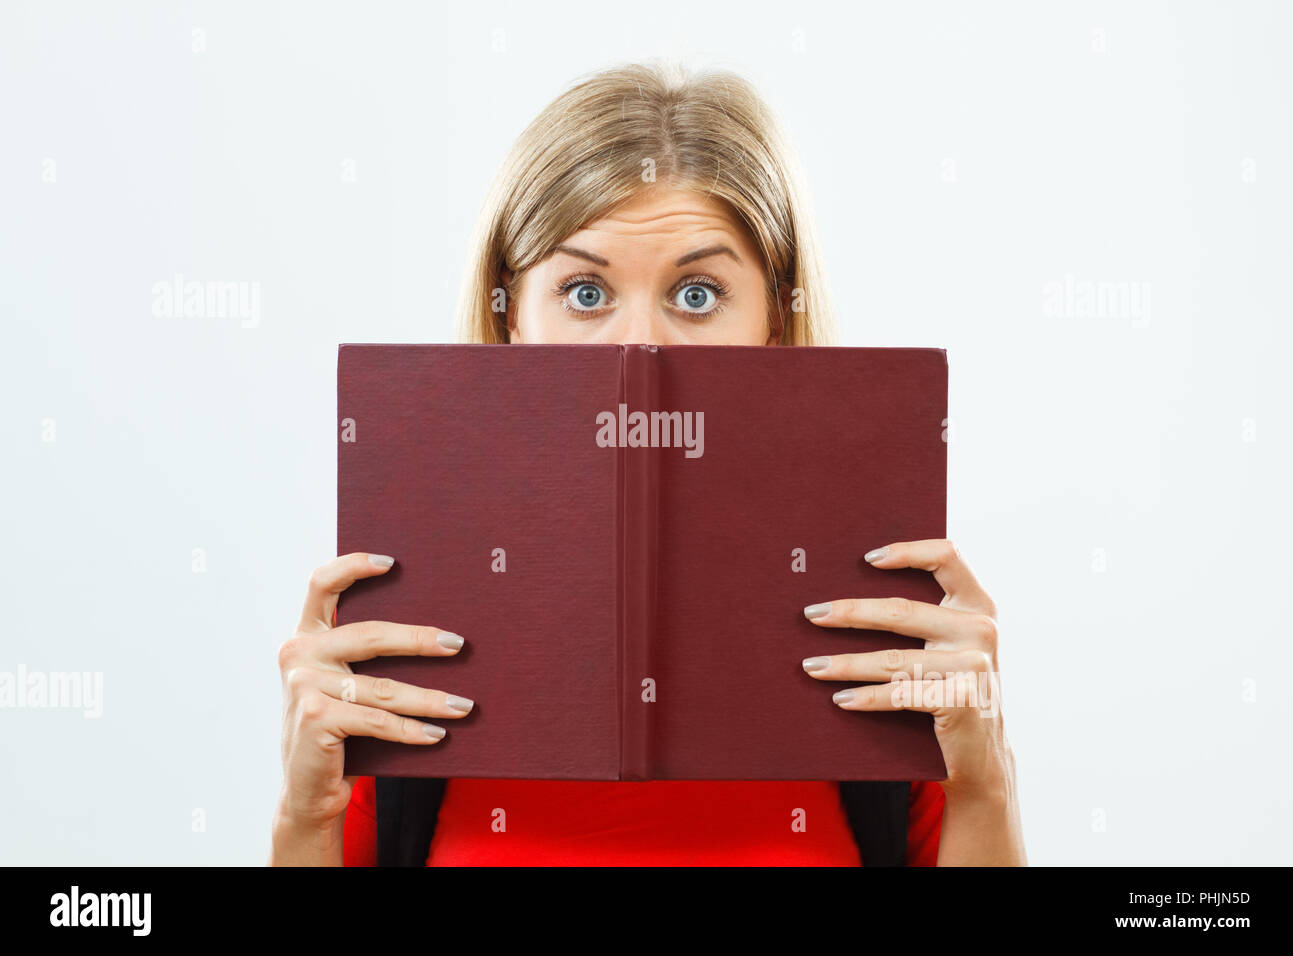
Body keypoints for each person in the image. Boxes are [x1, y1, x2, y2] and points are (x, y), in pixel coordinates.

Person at [270, 60, 1026, 866]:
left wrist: (985, 779)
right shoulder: (413, 619)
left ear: (775, 317)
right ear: (511, 314)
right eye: (585, 294)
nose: (642, 346)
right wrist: (302, 815)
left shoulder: (877, 613)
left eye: (697, 294)